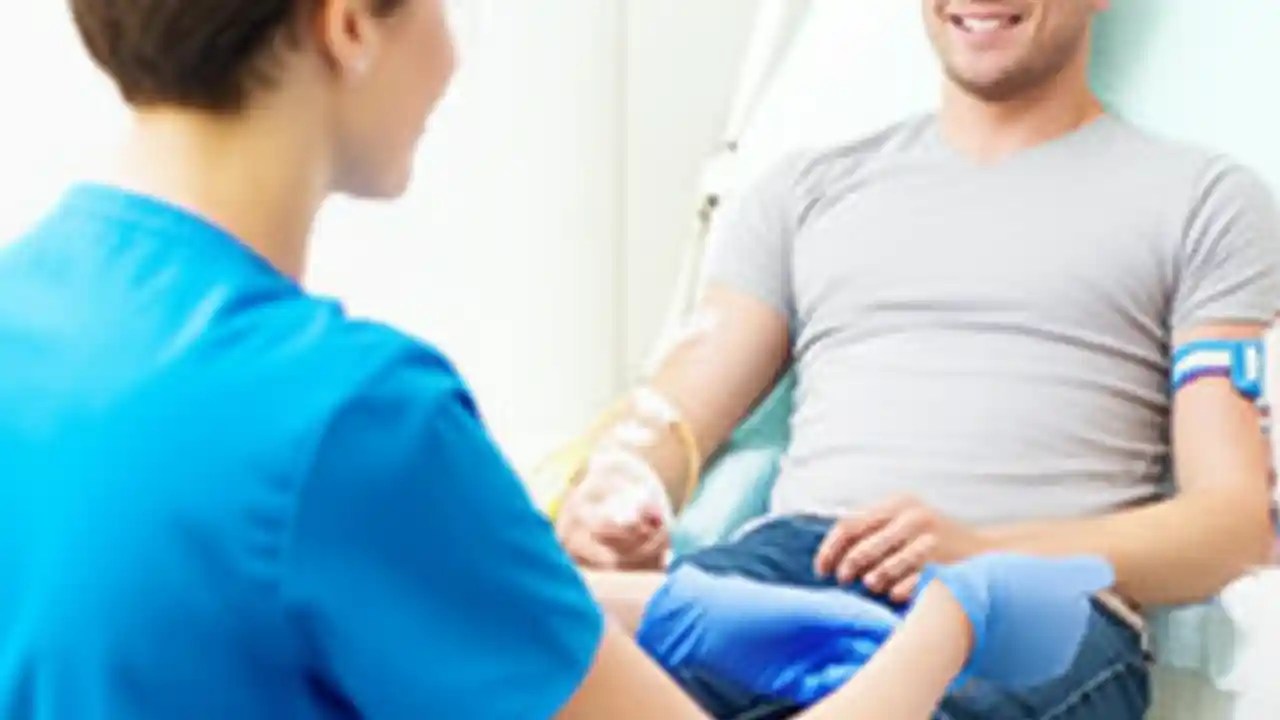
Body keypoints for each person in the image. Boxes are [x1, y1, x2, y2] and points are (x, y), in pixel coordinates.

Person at [0, 1, 1117, 719]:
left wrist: (646, 608)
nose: (447, 54)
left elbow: (292, 587)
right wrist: (956, 619)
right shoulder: (352, 419)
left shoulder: (32, 312)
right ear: (347, 26)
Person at [557, 0, 1280, 718]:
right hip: (794, 566)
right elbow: (673, 415)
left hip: (1032, 601)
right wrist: (622, 488)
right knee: (544, 669)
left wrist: (982, 550)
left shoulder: (1206, 204)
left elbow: (1232, 524)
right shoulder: (804, 194)